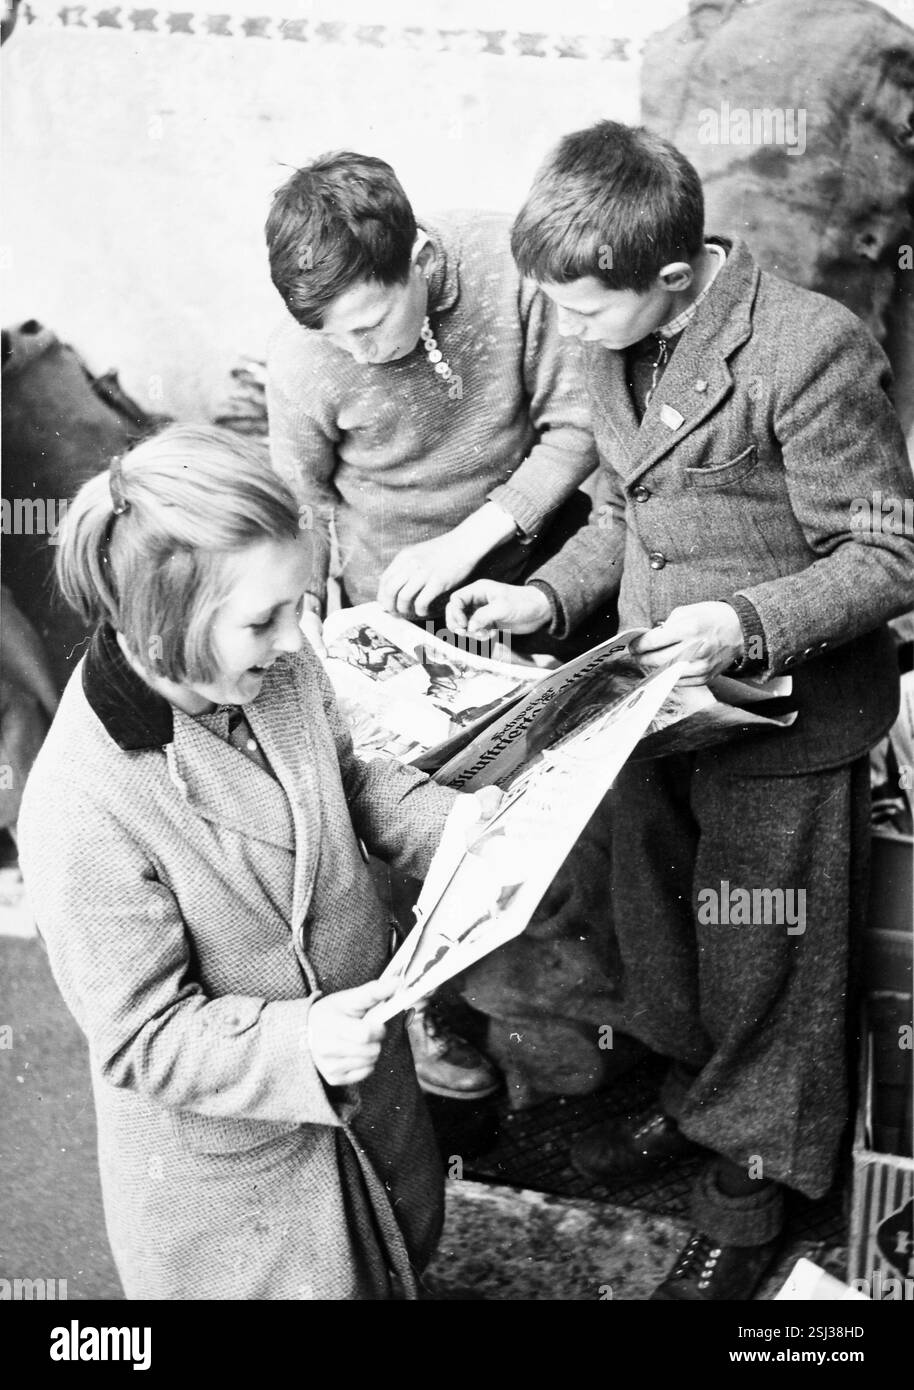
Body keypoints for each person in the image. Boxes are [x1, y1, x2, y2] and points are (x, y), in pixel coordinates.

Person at [446, 120, 914, 1300]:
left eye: (584, 308)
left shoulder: (807, 348)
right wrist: (539, 597)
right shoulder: (615, 339)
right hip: (653, 707)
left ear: (669, 275)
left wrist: (742, 625)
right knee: (660, 935)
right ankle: (697, 1107)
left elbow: (884, 556)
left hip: (781, 721)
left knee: (765, 959)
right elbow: (620, 505)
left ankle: (748, 1184)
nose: (564, 331)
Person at [16, 424, 497, 1301]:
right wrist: (300, 1043)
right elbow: (141, 1037)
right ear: (161, 629)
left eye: (298, 605)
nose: (294, 638)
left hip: (370, 1095)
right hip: (248, 1175)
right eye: (262, 620)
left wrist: (463, 832)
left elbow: (347, 777)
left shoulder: (271, 659)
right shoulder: (83, 805)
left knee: (400, 1256)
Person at [264, 151, 602, 1099]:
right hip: (392, 614)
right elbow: (302, 505)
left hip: (537, 576)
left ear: (417, 255)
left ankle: (565, 1017)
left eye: (373, 322)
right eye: (337, 336)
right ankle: (437, 1011)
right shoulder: (311, 362)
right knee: (416, 821)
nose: (361, 352)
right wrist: (310, 613)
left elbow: (577, 429)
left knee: (556, 812)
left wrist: (470, 542)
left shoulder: (510, 263)